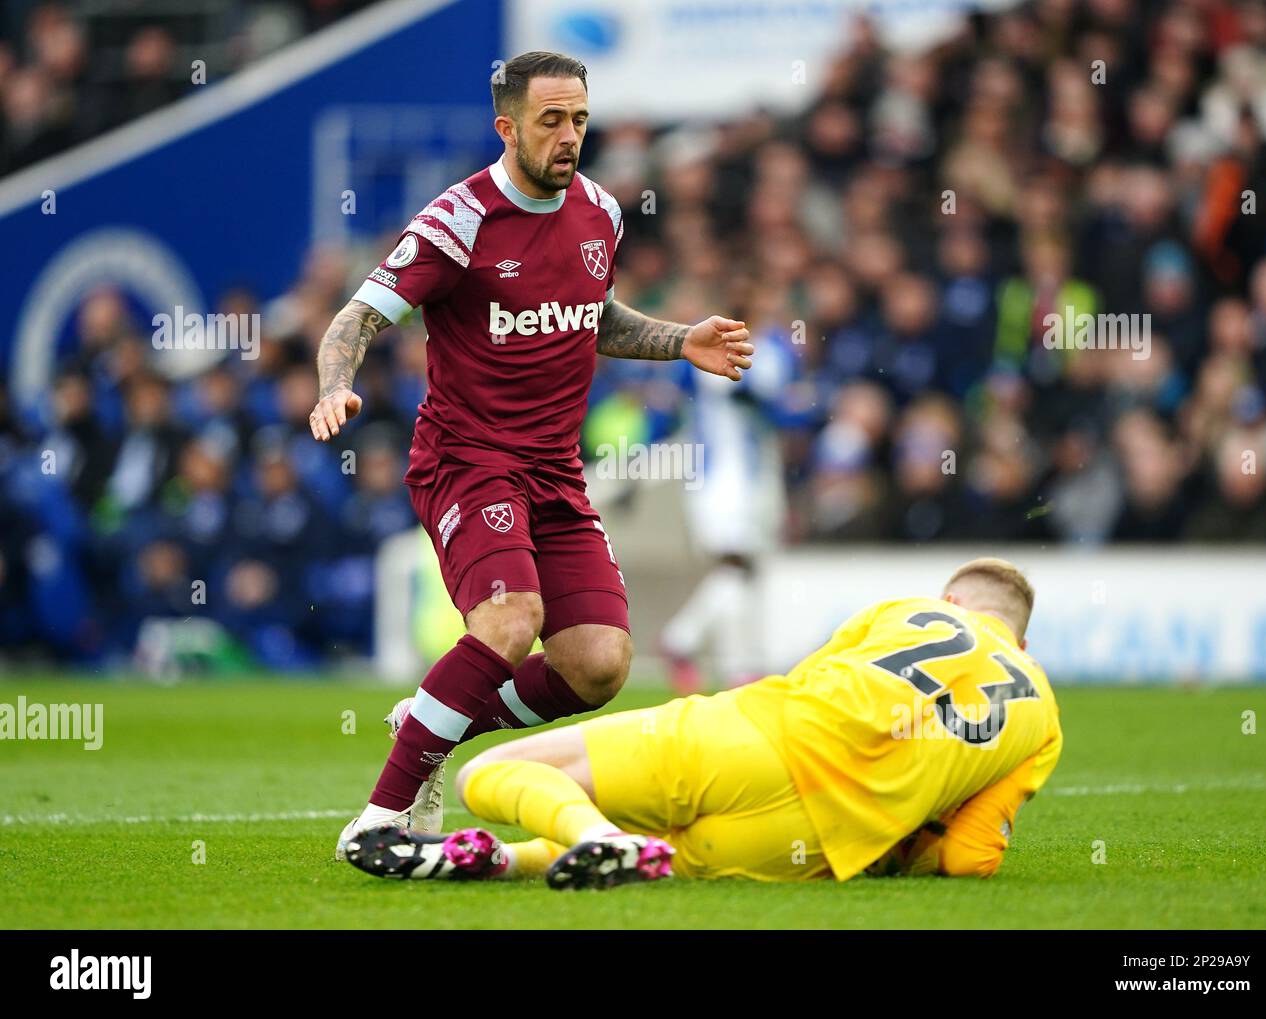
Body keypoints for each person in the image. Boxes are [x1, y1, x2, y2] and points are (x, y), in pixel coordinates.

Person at [312, 51, 754, 858]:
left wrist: (680, 339)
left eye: (580, 119)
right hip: (467, 459)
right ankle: (380, 814)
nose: (569, 136)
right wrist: (334, 386)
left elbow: (596, 316)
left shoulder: (600, 214)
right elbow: (357, 317)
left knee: (599, 663)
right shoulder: (457, 221)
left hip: (554, 470)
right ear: (507, 127)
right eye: (551, 120)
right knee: (513, 622)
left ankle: (427, 719)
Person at [343, 558, 1063, 887]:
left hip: (755, 740)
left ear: (950, 599)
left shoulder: (911, 610)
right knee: (672, 855)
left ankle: (596, 837)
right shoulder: (1043, 714)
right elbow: (972, 857)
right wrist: (904, 840)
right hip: (813, 841)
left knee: (488, 773)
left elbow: (811, 679)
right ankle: (500, 860)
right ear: (1021, 644)